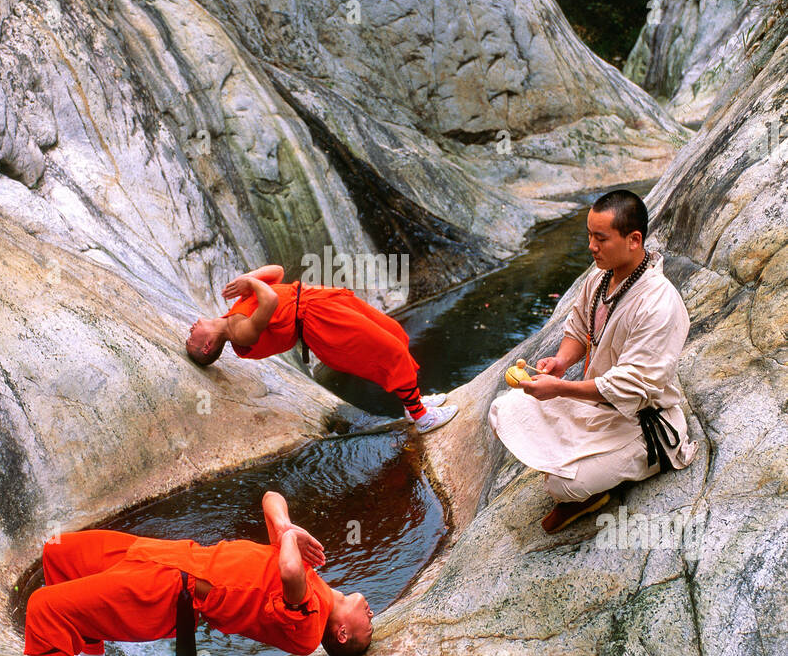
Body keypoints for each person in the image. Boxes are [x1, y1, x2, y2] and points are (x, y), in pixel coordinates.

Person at [0, 491, 374, 656]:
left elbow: (289, 569)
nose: (372, 615)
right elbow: (271, 497)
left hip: (169, 593)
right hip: (172, 557)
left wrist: (286, 534)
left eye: (368, 627)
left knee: (44, 607)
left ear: (342, 633)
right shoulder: (319, 585)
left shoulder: (309, 625)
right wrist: (283, 526)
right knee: (58, 550)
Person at [489, 190, 698, 533]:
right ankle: (582, 462)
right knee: (503, 410)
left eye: (600, 238)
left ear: (634, 239)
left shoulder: (659, 304)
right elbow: (578, 328)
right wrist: (560, 361)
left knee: (563, 486)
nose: (591, 247)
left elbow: (629, 388)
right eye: (589, 236)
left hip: (641, 421)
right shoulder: (599, 278)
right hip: (596, 403)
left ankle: (590, 492)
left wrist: (560, 389)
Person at [186, 264, 457, 433]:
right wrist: (252, 284)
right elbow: (267, 299)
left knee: (395, 334)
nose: (189, 330)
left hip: (320, 302)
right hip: (320, 323)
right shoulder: (239, 332)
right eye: (191, 339)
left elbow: (277, 272)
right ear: (208, 345)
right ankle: (422, 419)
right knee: (388, 352)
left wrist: (248, 278)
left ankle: (414, 404)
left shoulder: (232, 312)